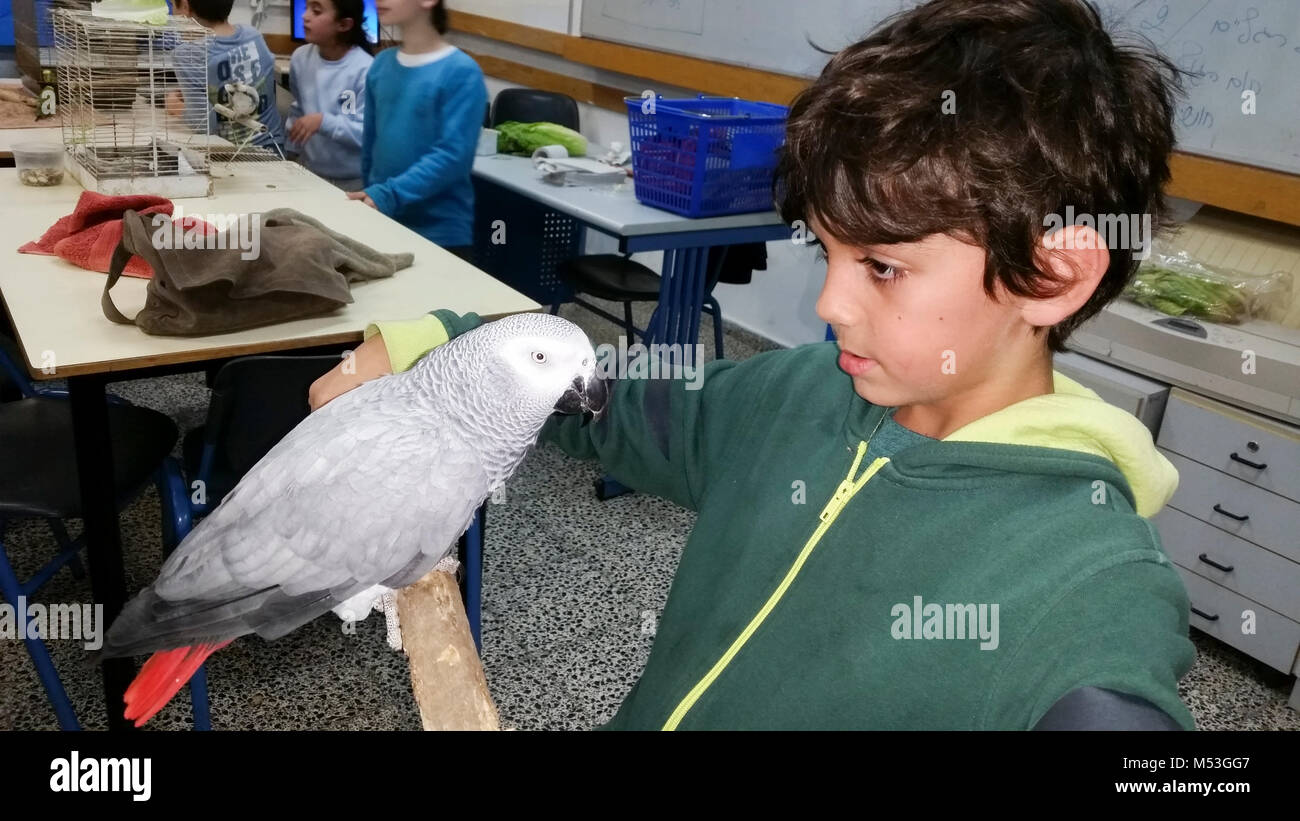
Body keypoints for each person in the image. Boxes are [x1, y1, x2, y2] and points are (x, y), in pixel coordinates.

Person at [309, 0, 1197, 730]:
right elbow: (606, 398)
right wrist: (434, 341)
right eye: (828, 254)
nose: (829, 306)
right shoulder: (802, 390)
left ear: (1051, 273)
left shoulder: (1089, 582)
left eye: (882, 267)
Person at [347, 0, 485, 258]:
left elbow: (452, 157)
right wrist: (373, 196)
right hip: (384, 221)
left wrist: (388, 195)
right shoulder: (380, 65)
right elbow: (371, 145)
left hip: (440, 235)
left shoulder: (461, 72)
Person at [167, 0, 287, 153]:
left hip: (233, 158)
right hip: (274, 150)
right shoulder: (253, 35)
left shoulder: (186, 54)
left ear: (185, 6)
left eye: (172, 6)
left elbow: (204, 126)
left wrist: (174, 106)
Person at [286, 0, 373, 190]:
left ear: (344, 25)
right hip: (310, 174)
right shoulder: (300, 58)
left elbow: (366, 134)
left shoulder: (365, 69)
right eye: (306, 8)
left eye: (316, 11)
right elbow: (299, 109)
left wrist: (323, 122)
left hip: (354, 182)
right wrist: (289, 153)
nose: (305, 16)